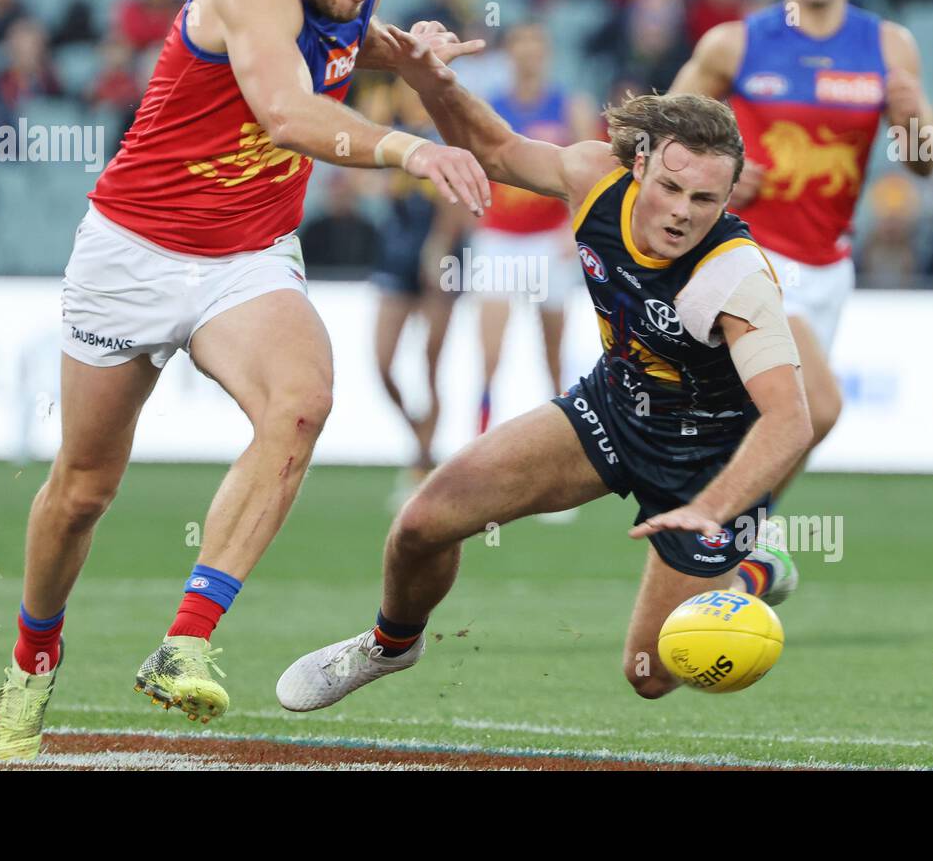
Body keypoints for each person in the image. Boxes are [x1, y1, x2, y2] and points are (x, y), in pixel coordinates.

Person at [0, 0, 490, 761]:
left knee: (301, 403)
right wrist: (410, 148)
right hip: (131, 254)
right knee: (84, 490)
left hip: (246, 259)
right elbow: (288, 112)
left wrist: (407, 54)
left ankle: (186, 639)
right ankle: (33, 658)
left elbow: (345, 43)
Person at [277, 59, 811, 711]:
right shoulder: (593, 176)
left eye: (705, 200)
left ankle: (753, 568)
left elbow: (790, 418)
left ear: (728, 198)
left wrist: (715, 504)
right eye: (671, 187)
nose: (681, 213)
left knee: (649, 672)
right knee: (422, 523)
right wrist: (434, 83)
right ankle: (391, 644)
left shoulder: (737, 278)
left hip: (705, 467)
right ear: (639, 167)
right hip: (612, 408)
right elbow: (497, 150)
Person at [668, 0, 933, 502]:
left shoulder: (890, 46)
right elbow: (663, 139)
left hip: (830, 265)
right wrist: (723, 175)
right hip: (750, 255)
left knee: (782, 426)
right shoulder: (735, 45)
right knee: (817, 406)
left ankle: (731, 536)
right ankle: (725, 531)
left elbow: (921, 164)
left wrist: (916, 118)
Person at [471, 21, 596, 433]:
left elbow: (593, 173)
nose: (528, 53)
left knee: (554, 353)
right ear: (509, 53)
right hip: (499, 237)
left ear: (547, 53)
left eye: (535, 44)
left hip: (549, 240)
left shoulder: (570, 106)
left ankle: (562, 439)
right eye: (521, 44)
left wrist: (573, 228)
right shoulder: (487, 107)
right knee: (489, 353)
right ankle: (481, 437)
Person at [367, 78, 472, 485]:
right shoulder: (389, 117)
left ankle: (423, 460)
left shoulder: (448, 122)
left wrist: (441, 246)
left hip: (439, 255)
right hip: (396, 250)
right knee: (382, 362)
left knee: (431, 360)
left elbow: (460, 197)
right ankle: (419, 439)